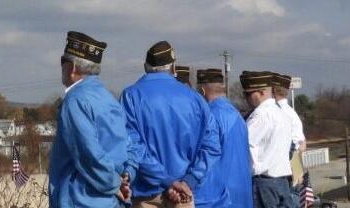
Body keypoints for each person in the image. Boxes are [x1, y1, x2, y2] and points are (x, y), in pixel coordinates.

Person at [122, 41, 221, 208]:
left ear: (145, 67)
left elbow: (131, 146)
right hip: (183, 194)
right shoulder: (195, 99)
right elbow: (212, 146)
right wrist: (189, 180)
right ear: (173, 68)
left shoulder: (131, 96)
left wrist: (166, 180)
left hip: (147, 195)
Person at [49, 31, 130, 208]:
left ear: (72, 68)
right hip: (109, 199)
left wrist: (113, 184)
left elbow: (87, 153)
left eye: (63, 62)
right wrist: (121, 180)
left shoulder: (75, 100)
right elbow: (125, 144)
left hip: (82, 198)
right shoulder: (107, 97)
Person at [194, 69, 252, 208]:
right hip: (243, 194)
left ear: (202, 91)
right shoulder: (238, 115)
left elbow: (205, 158)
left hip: (221, 197)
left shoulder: (209, 116)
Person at [241, 71, 295, 208]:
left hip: (264, 184)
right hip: (282, 182)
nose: (246, 98)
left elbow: (243, 146)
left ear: (262, 92)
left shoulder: (260, 115)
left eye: (248, 93)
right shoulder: (282, 114)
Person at [272, 73, 306, 185]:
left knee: (289, 195)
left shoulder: (277, 112)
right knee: (295, 194)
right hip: (295, 159)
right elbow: (303, 143)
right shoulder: (292, 112)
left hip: (287, 159)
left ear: (273, 91)